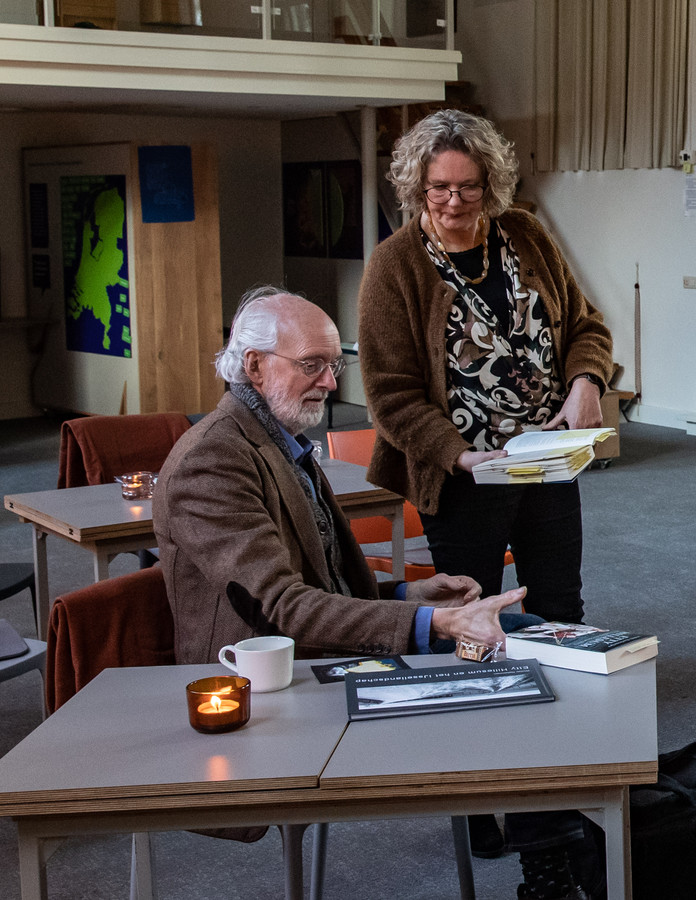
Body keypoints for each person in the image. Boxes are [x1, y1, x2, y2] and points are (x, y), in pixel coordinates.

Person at [157, 288, 596, 900]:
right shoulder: (213, 463)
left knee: (540, 645)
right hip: (278, 683)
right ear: (253, 365)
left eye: (335, 365)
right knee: (522, 657)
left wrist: (408, 591)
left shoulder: (274, 435)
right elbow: (282, 610)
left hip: (322, 649)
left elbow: (320, 578)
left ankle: (560, 855)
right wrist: (434, 625)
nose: (331, 382)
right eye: (312, 364)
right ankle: (554, 868)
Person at [358, 109, 614, 630]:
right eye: (439, 188)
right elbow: (391, 397)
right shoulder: (394, 265)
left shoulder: (525, 234)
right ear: (418, 186)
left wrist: (587, 383)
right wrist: (461, 457)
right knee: (473, 615)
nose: (454, 202)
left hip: (548, 458)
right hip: (463, 476)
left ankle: (563, 709)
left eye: (469, 188)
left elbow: (586, 325)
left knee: (561, 605)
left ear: (490, 183)